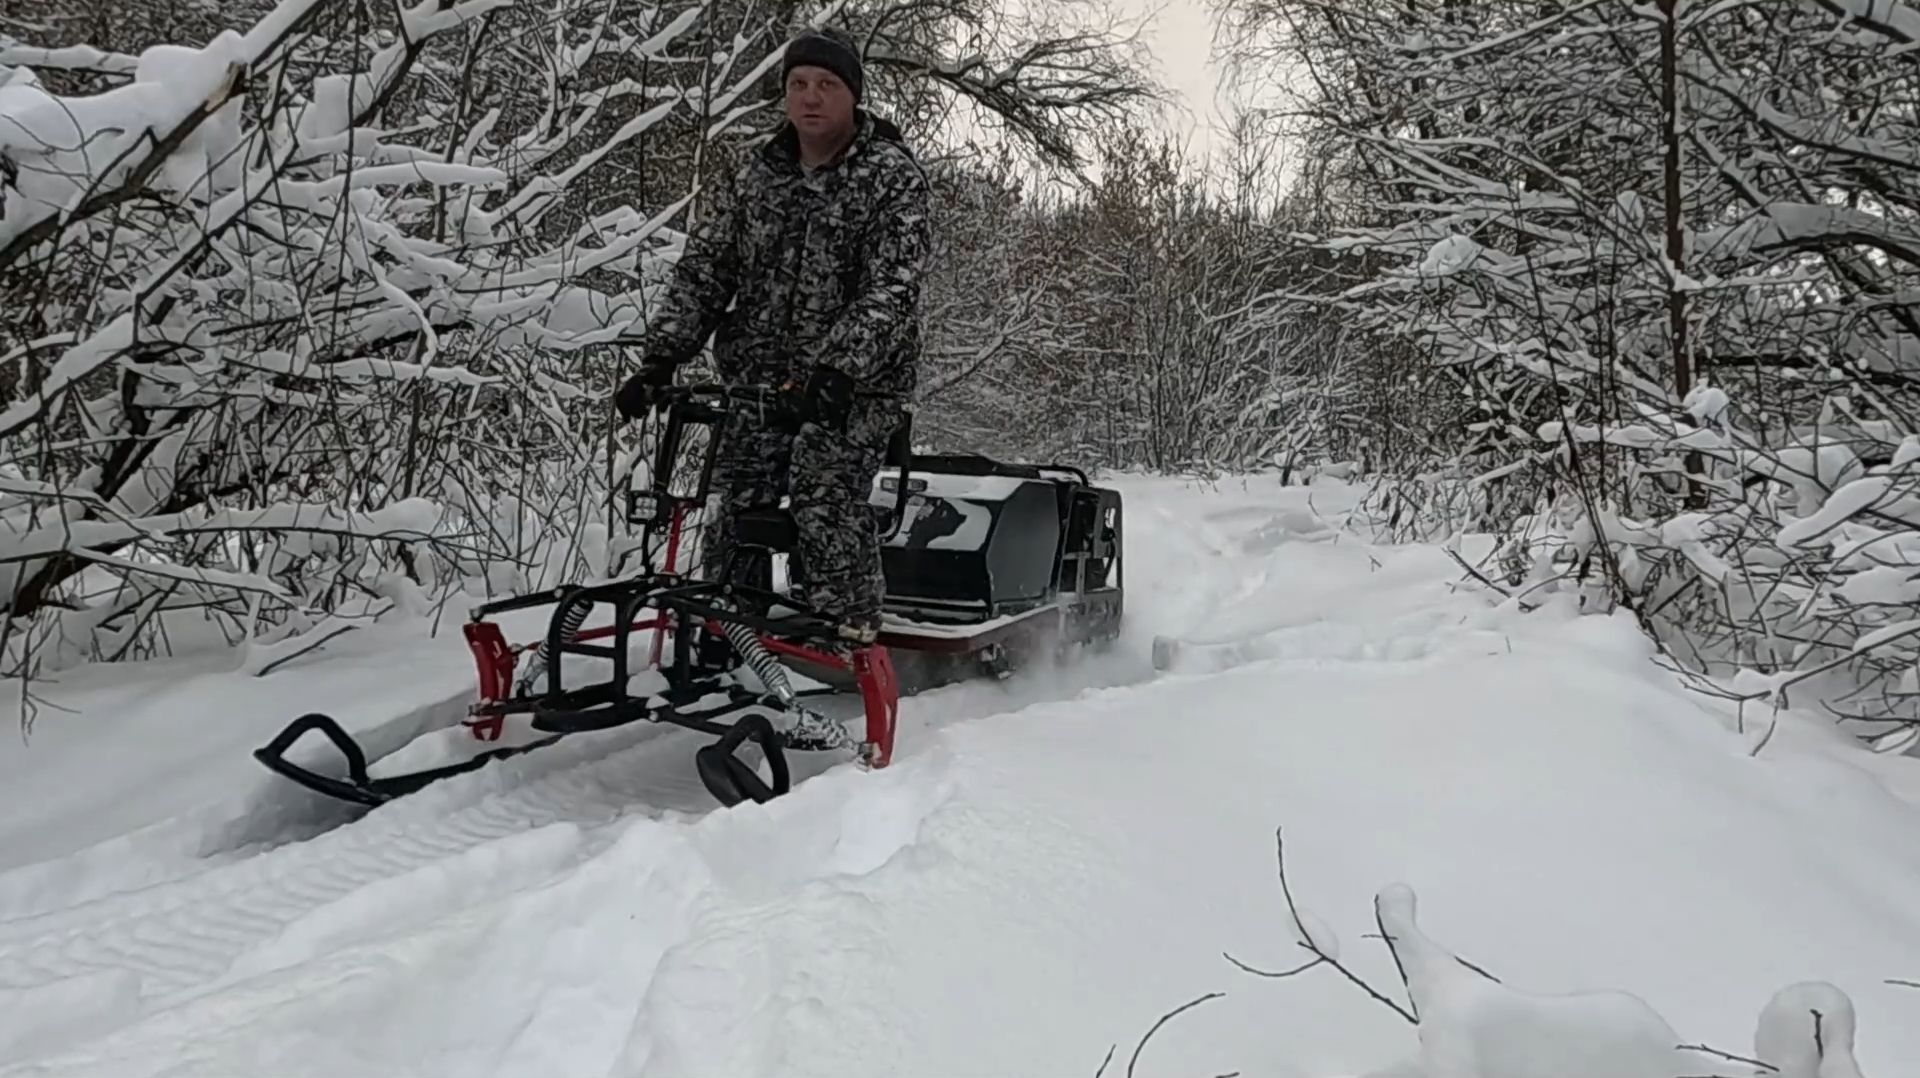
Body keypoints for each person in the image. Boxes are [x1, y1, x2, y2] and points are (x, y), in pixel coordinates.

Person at [615, 26, 931, 647]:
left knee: (823, 494)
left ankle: (848, 639)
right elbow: (706, 270)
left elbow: (892, 287)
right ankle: (728, 637)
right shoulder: (752, 173)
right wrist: (661, 360)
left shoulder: (891, 178)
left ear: (853, 94)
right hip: (759, 383)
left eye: (827, 84)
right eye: (799, 84)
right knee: (734, 503)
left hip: (855, 389)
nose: (811, 97)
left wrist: (839, 369)